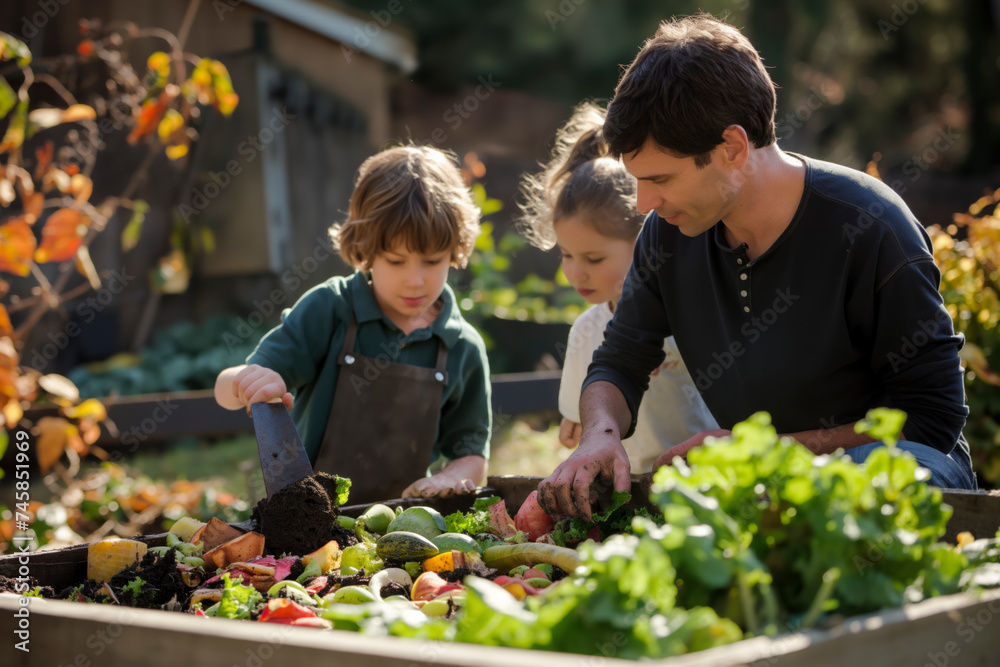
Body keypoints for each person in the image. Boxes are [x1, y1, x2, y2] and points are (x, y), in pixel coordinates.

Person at [537, 14, 977, 520]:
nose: (643, 203)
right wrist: (600, 435)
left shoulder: (872, 227)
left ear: (732, 148)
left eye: (660, 178)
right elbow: (620, 358)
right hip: (761, 483)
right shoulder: (668, 232)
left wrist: (768, 450)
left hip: (898, 480)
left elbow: (931, 422)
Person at [215, 145, 492, 504]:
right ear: (365, 248)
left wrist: (451, 477)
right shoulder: (330, 309)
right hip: (307, 525)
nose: (415, 280)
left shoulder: (462, 347)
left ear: (455, 250)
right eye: (396, 260)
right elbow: (225, 390)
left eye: (432, 260)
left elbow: (472, 456)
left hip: (403, 532)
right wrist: (246, 381)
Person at [517, 101, 718, 475]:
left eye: (593, 260)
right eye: (567, 255)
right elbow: (578, 425)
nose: (576, 274)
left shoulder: (689, 319)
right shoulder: (585, 331)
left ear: (644, 244)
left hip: (700, 477)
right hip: (627, 486)